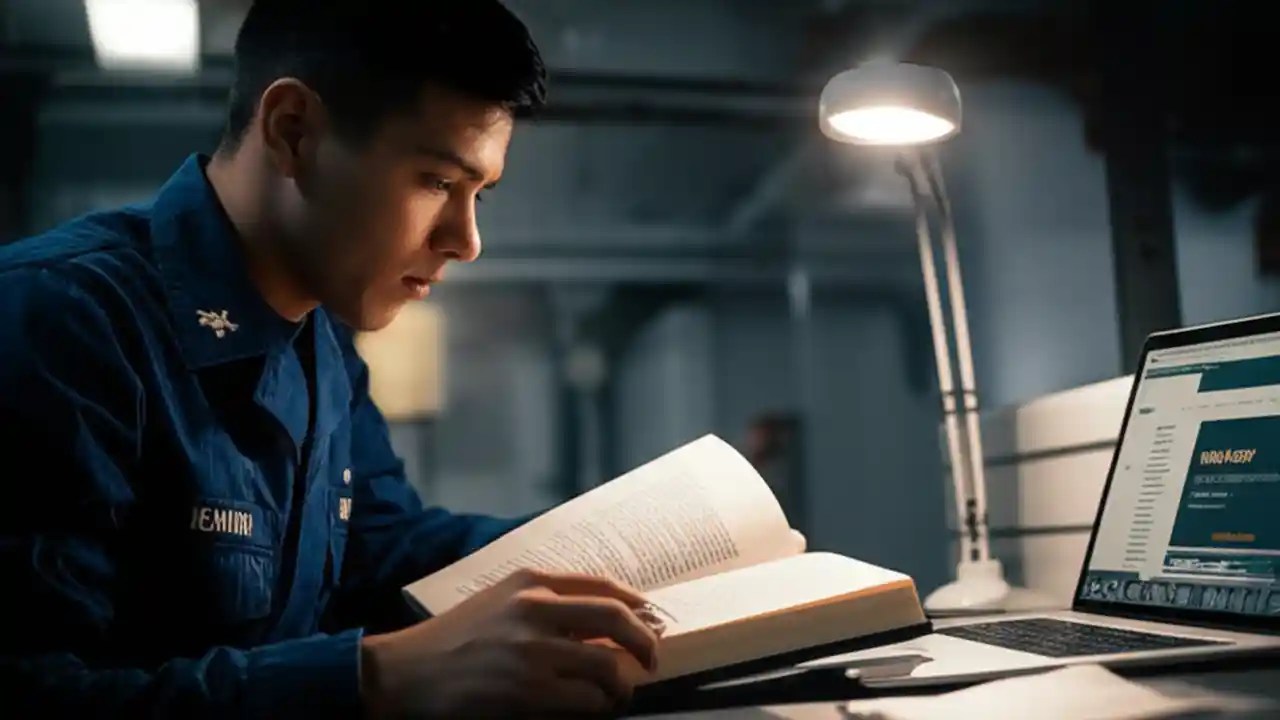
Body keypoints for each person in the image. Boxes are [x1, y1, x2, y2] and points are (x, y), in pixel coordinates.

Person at [0, 1, 662, 717]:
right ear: (293, 131)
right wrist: (374, 678)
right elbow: (35, 690)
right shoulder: (58, 321)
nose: (467, 241)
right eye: (438, 182)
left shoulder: (322, 343)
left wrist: (621, 546)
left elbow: (381, 554)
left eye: (479, 194)